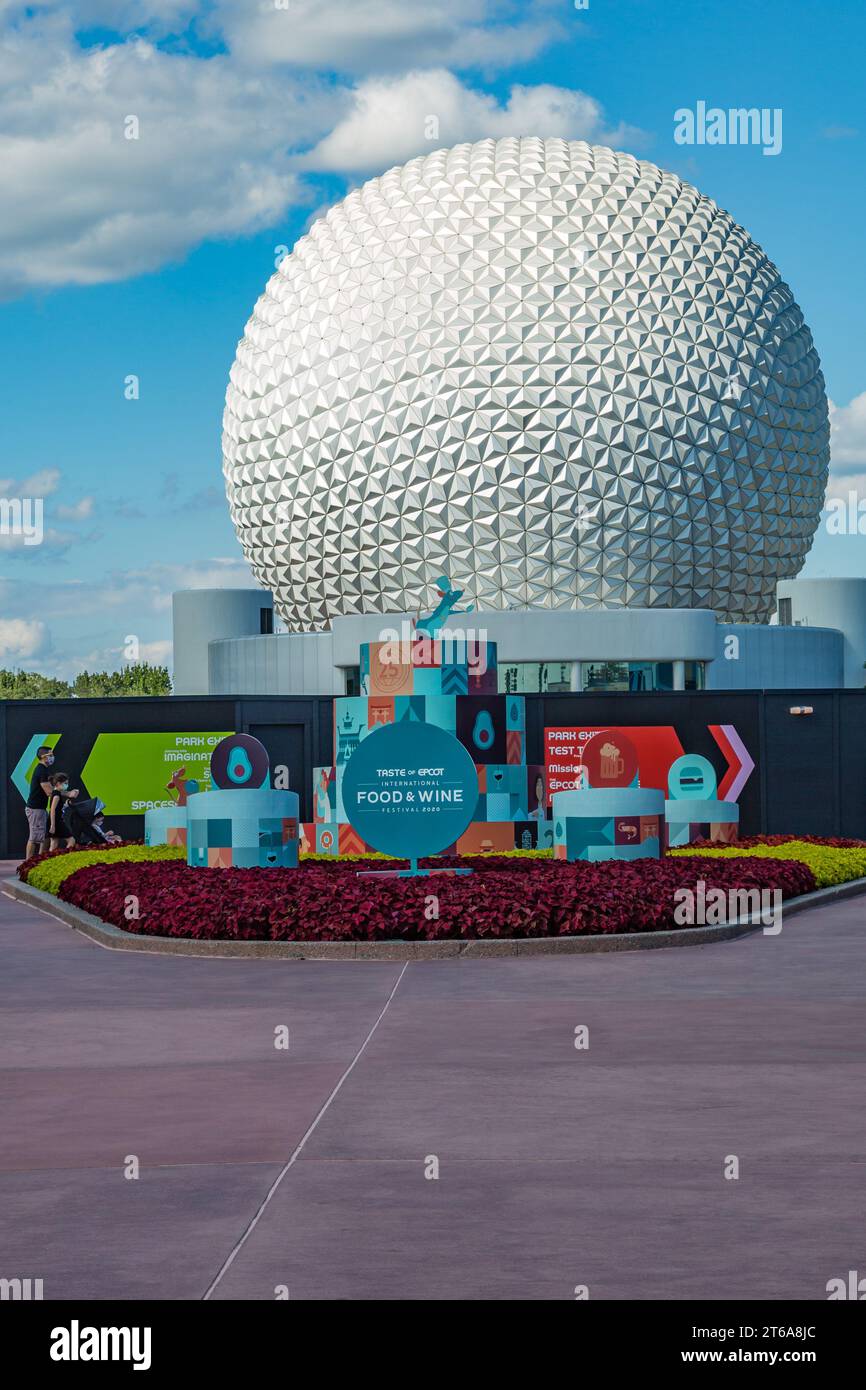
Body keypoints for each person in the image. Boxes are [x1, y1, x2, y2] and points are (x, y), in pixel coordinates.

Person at [24, 745, 55, 859]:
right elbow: (49, 791)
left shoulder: (44, 770)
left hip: (41, 809)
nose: (52, 757)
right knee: (34, 838)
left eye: (52, 755)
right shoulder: (41, 770)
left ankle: (40, 860)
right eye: (50, 755)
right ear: (43, 756)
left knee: (45, 836)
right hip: (35, 810)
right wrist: (67, 793)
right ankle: (27, 865)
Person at [47, 773, 75, 851]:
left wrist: (66, 805)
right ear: (58, 783)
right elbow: (52, 810)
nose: (67, 785)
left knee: (54, 843)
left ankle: (49, 860)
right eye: (65, 783)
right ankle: (65, 858)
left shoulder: (56, 793)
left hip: (55, 821)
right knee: (71, 840)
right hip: (57, 821)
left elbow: (58, 809)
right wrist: (52, 825)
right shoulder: (56, 795)